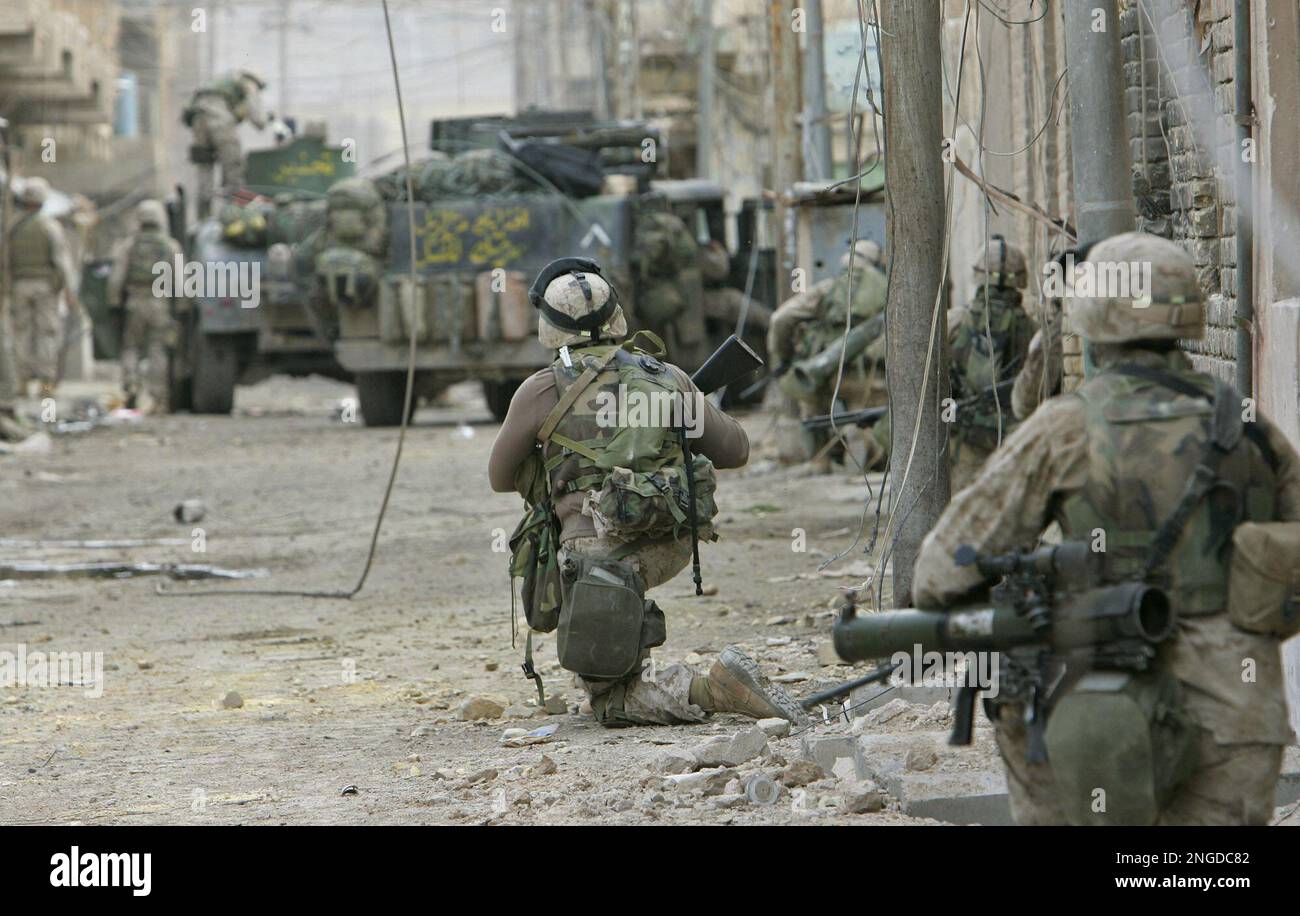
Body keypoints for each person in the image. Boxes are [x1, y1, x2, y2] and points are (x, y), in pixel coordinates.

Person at [913, 231, 1300, 825]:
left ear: (1092, 315)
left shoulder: (1066, 428)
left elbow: (940, 574)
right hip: (1237, 712)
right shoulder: (1248, 427)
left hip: (1095, 704)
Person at [489, 257, 805, 727]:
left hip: (595, 555)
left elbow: (499, 477)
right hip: (670, 542)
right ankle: (629, 632)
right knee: (607, 647)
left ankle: (715, 687)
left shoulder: (540, 390)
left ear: (549, 328)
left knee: (610, 701)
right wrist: (677, 411)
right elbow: (735, 448)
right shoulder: (664, 376)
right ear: (617, 317)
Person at [768, 239, 889, 471]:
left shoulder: (828, 288)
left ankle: (820, 462)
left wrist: (785, 357)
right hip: (868, 376)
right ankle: (873, 461)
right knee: (870, 418)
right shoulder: (888, 289)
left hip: (824, 373)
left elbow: (780, 319)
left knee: (812, 408)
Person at [946, 234, 1036, 489]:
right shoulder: (1033, 330)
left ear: (978, 275)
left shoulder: (955, 322)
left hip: (965, 438)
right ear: (1021, 279)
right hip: (1014, 440)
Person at [6, 177, 78, 400]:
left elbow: (5, 261)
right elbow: (62, 261)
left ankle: (23, 384)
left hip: (18, 286)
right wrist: (69, 291)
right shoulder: (49, 226)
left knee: (21, 333)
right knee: (46, 333)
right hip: (45, 288)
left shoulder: (12, 227)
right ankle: (46, 385)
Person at [108, 200, 183, 411]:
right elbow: (180, 281)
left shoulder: (129, 245)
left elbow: (116, 279)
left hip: (134, 301)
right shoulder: (170, 245)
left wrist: (114, 304)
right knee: (158, 349)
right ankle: (158, 398)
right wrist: (182, 307)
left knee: (131, 346)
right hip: (160, 304)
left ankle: (131, 386)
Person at [631, 195, 710, 372]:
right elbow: (713, 267)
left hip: (648, 297)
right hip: (673, 296)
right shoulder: (673, 225)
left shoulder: (641, 227)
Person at [184, 70, 269, 217]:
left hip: (198, 118)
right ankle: (234, 216)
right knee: (233, 170)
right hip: (218, 117)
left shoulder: (220, 83)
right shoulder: (248, 84)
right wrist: (265, 118)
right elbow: (259, 121)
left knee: (204, 172)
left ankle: (203, 218)